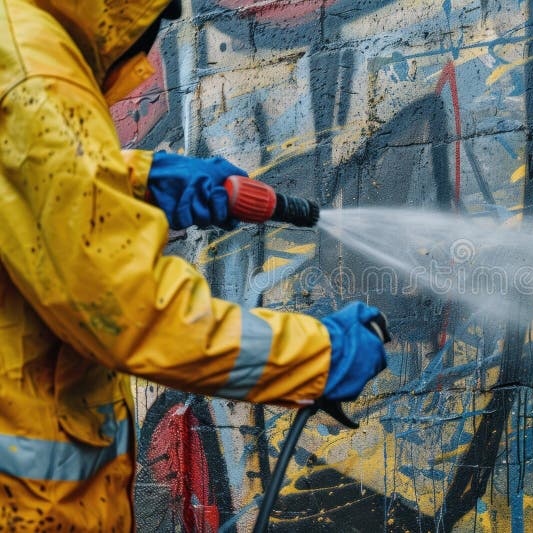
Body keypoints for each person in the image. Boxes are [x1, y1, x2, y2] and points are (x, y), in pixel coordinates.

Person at [0, 0, 388, 528]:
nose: (171, 18)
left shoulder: (18, 45)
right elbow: (135, 312)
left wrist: (138, 179)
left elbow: (31, 179)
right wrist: (318, 355)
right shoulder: (36, 73)